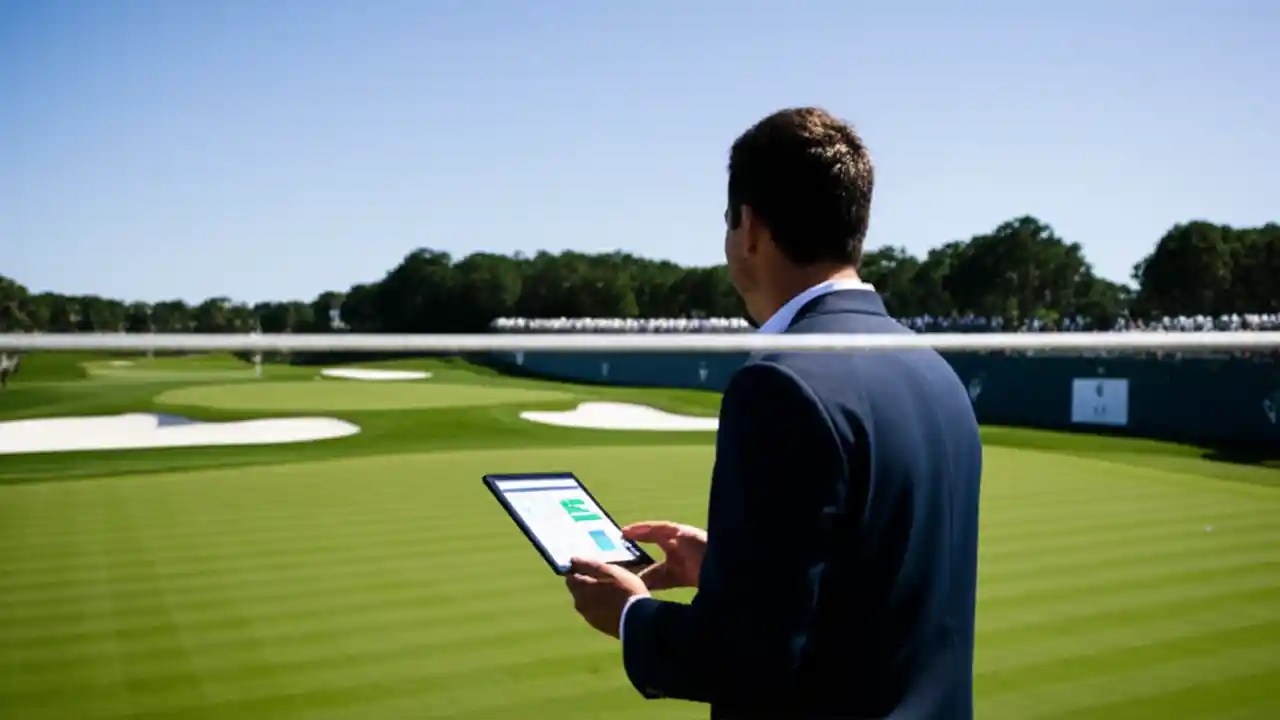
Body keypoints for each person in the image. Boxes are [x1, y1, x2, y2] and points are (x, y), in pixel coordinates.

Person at [565, 107, 983, 719]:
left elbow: (741, 658)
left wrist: (630, 615)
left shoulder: (780, 385)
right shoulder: (935, 370)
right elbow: (875, 591)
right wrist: (731, 568)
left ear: (750, 229)